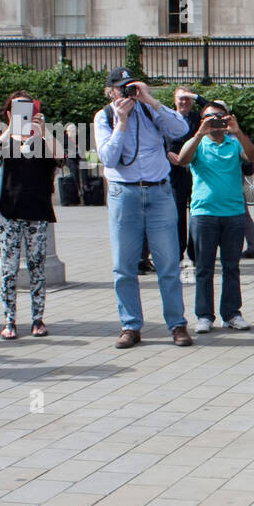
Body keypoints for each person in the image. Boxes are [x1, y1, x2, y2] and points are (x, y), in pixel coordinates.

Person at [93, 67, 193, 348]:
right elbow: (109, 158)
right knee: (124, 266)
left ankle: (177, 324)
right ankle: (130, 326)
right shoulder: (105, 116)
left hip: (159, 192)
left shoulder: (150, 111)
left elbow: (181, 129)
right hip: (123, 195)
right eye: (120, 88)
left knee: (169, 264)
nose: (127, 93)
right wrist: (122, 123)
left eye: (131, 87)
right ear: (109, 91)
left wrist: (152, 100)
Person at [0, 91, 63, 340]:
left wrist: (44, 131)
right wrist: (11, 128)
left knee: (36, 267)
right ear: (9, 113)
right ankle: (9, 319)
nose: (24, 116)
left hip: (38, 211)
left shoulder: (43, 138)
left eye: (28, 111)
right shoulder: (5, 138)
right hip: (9, 211)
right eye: (18, 111)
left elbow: (61, 158)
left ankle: (37, 319)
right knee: (9, 268)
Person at [177, 101, 254, 334]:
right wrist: (199, 133)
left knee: (232, 267)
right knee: (203, 268)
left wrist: (238, 131)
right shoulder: (199, 143)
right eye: (209, 118)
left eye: (219, 117)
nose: (215, 122)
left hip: (233, 213)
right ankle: (204, 315)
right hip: (204, 213)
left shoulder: (234, 142)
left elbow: (252, 157)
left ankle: (232, 313)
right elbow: (183, 160)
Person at [167, 85, 207, 278]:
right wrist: (177, 159)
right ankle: (178, 254)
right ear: (174, 100)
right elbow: (163, 145)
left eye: (187, 99)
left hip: (195, 171)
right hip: (175, 172)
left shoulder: (197, 119)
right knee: (177, 215)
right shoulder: (167, 118)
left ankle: (195, 253)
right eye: (180, 98)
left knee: (196, 213)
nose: (183, 102)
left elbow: (211, 108)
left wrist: (194, 95)